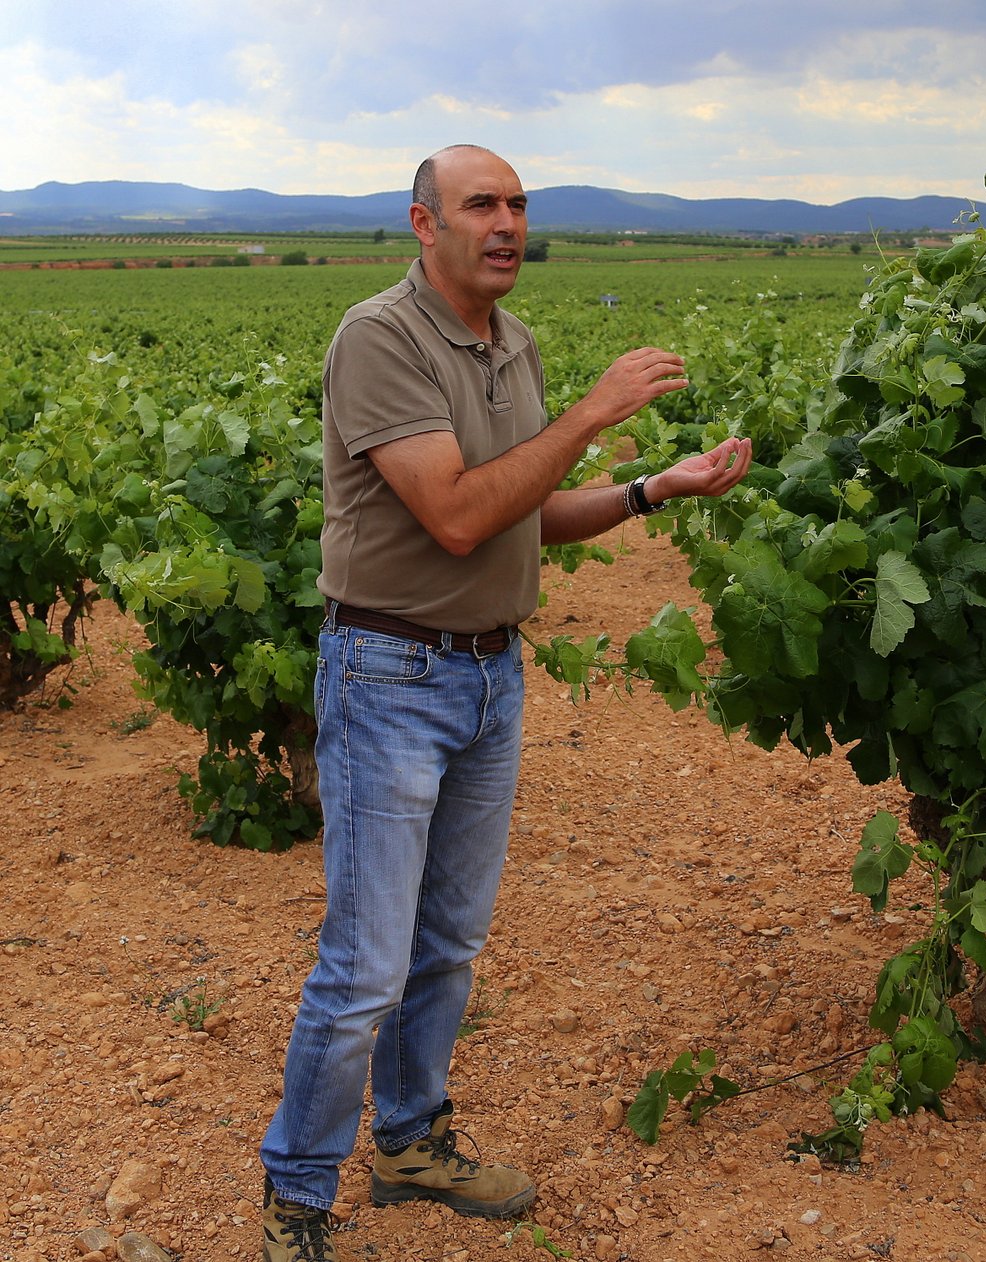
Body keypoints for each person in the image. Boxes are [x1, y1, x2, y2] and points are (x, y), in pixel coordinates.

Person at [259, 143, 752, 1261]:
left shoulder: (510, 344)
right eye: (481, 203)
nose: (507, 223)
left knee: (446, 942)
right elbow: (457, 515)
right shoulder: (379, 338)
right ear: (423, 223)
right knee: (365, 964)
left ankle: (410, 1144)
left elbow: (521, 509)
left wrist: (647, 488)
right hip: (388, 675)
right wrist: (591, 415)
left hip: (488, 674)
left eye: (519, 205)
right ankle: (295, 1198)